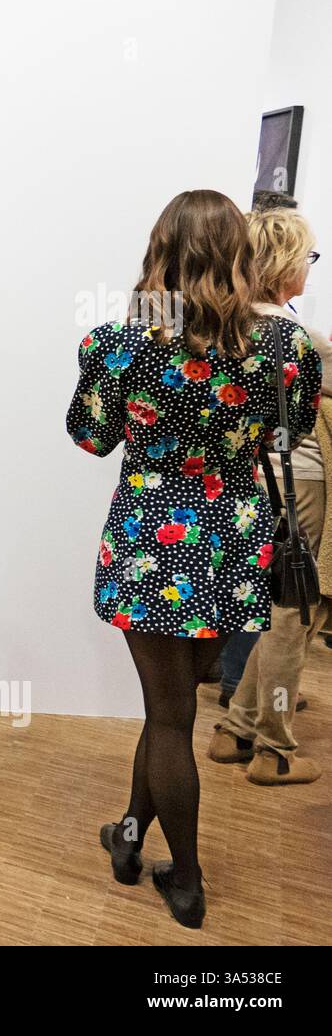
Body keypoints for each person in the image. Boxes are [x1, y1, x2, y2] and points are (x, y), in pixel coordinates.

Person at [66, 190, 322, 929]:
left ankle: (187, 876)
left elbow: (89, 435)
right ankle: (130, 833)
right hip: (235, 539)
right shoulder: (285, 348)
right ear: (240, 256)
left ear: (160, 254)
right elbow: (291, 427)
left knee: (169, 715)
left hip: (150, 539)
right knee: (174, 709)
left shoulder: (122, 342)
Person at [209, 207, 328, 784]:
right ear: (284, 263)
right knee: (294, 612)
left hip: (244, 481)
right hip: (295, 478)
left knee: (273, 607)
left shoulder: (223, 328)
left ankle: (235, 728)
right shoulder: (298, 336)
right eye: (307, 257)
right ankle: (274, 749)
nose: (308, 268)